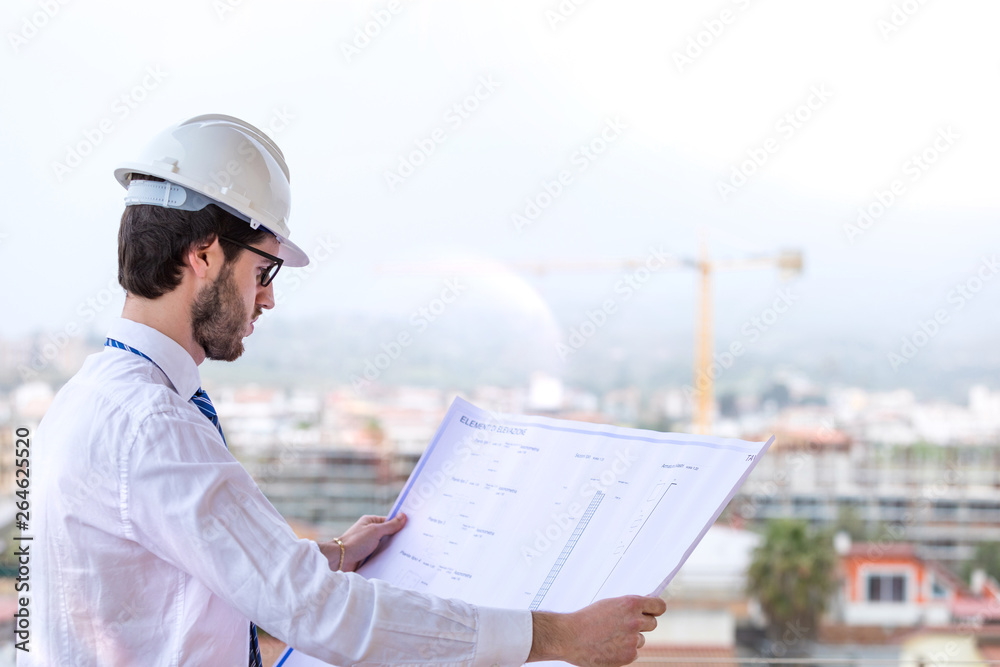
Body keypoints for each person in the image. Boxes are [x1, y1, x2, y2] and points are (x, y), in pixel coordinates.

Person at [25, 114, 665, 666]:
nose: (268, 296)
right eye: (264, 268)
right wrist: (561, 635)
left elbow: (189, 569)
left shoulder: (93, 398)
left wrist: (327, 556)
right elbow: (320, 615)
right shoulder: (152, 424)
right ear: (203, 254)